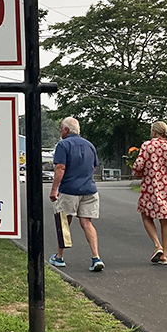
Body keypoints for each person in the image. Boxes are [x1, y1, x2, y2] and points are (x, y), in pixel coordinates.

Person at [49, 116, 105, 272]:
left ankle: (59, 257)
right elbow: (94, 168)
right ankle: (96, 257)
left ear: (66, 130)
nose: (60, 131)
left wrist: (54, 189)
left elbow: (60, 167)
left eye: (61, 128)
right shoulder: (90, 145)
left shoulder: (63, 145)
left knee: (64, 222)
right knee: (87, 222)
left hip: (69, 190)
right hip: (89, 189)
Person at [132, 120, 167, 266]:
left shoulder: (147, 146)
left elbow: (138, 166)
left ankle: (157, 245)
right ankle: (165, 255)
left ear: (154, 131)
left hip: (151, 187)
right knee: (166, 220)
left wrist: (139, 173)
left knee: (146, 215)